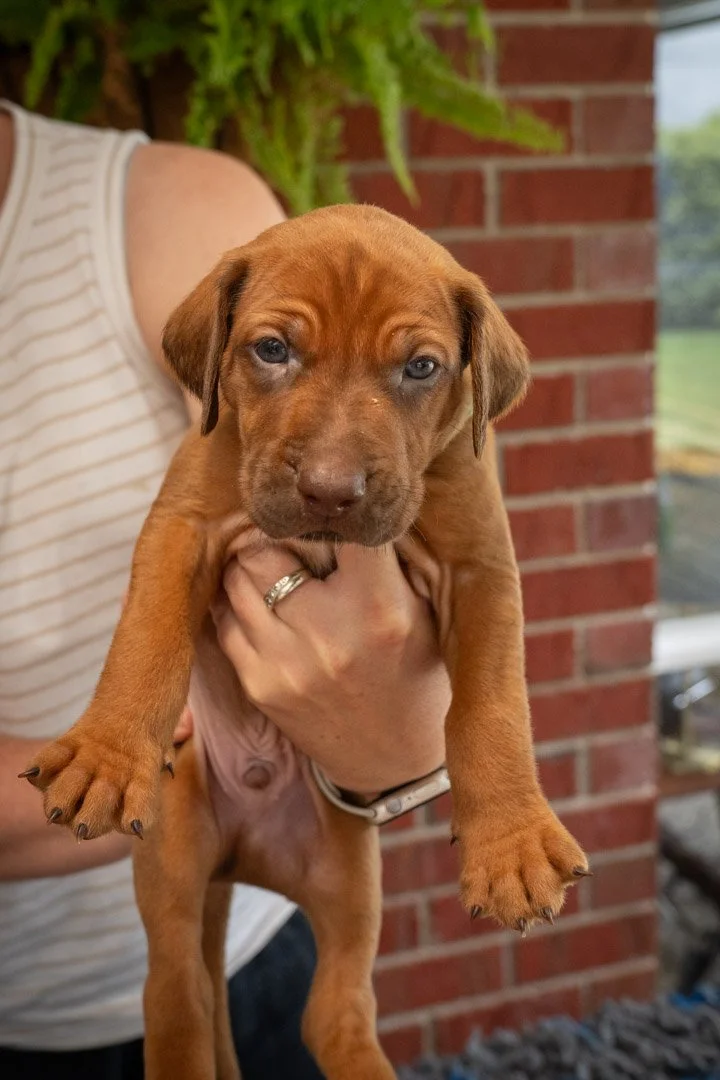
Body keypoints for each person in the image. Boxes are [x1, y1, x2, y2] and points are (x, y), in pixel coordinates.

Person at [0, 101, 450, 1078]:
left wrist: (401, 736)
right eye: (276, 353)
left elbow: (376, 663)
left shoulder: (160, 210)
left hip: (259, 946)